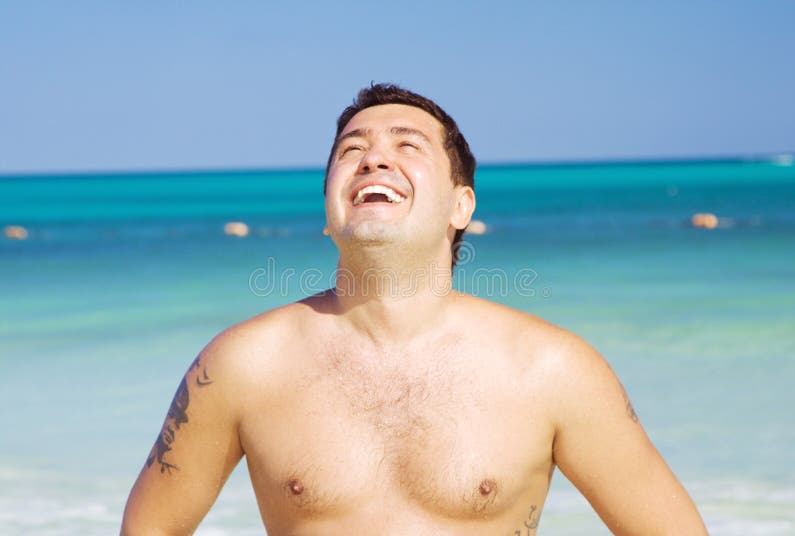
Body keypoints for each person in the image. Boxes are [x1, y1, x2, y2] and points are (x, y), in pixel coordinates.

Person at [121, 84, 707, 535]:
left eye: (407, 145)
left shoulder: (552, 369)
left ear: (461, 205)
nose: (374, 159)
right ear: (328, 211)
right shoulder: (241, 364)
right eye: (353, 150)